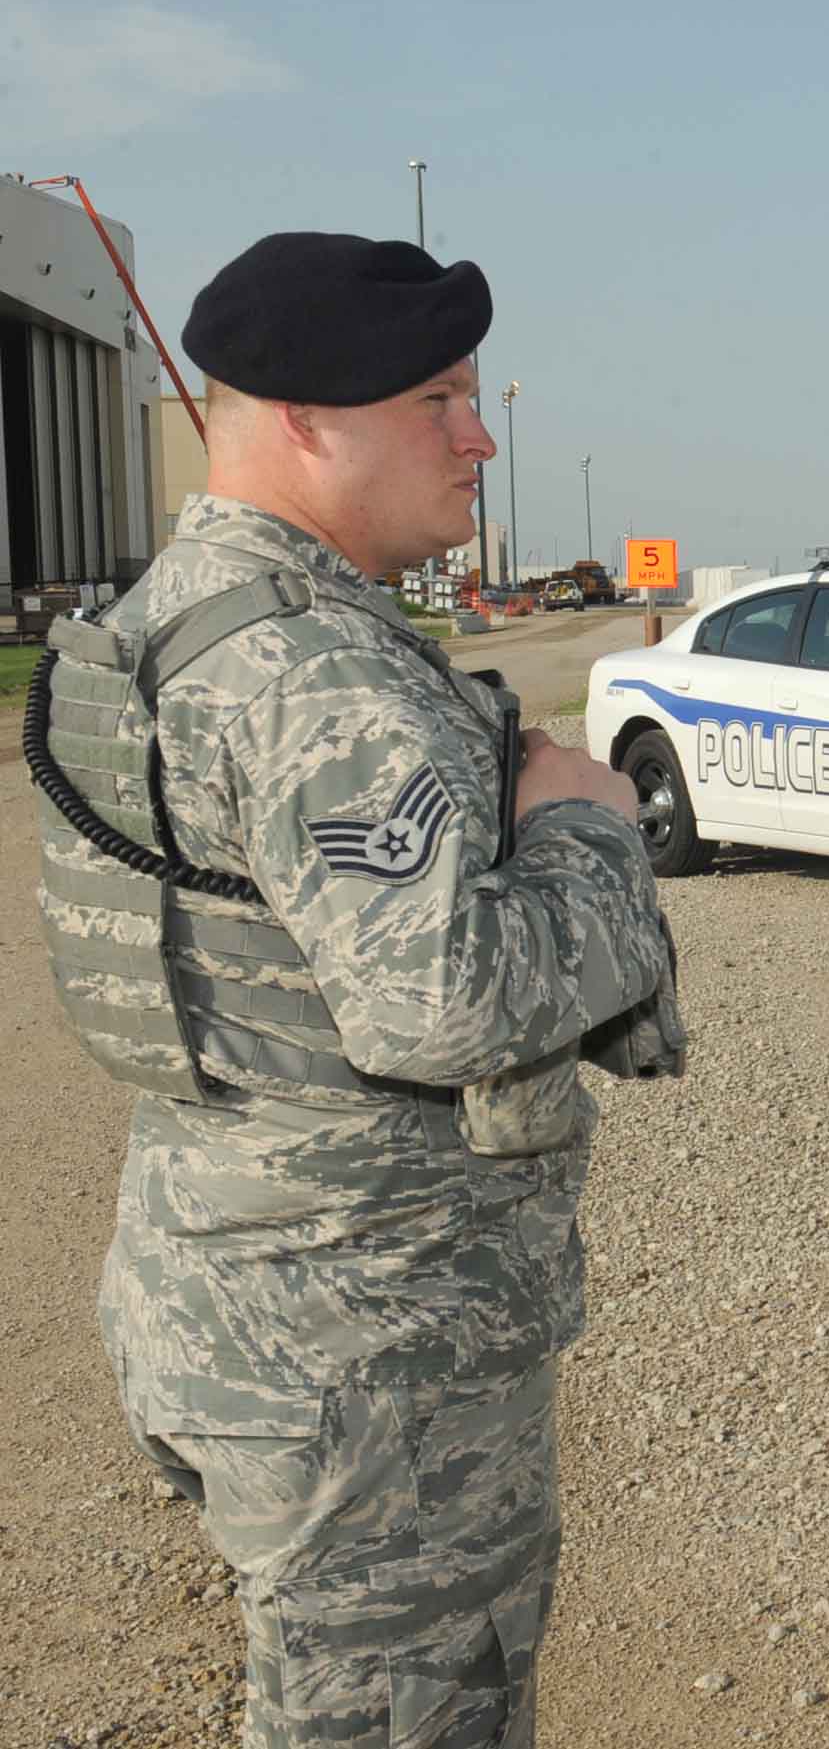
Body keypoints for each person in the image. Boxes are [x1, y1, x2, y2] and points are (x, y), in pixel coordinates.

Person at [30, 232, 681, 1745]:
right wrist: (588, 822)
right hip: (371, 1357)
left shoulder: (178, 616)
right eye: (441, 397)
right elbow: (441, 1001)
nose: (481, 433)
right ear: (308, 416)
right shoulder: (315, 672)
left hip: (240, 1290)